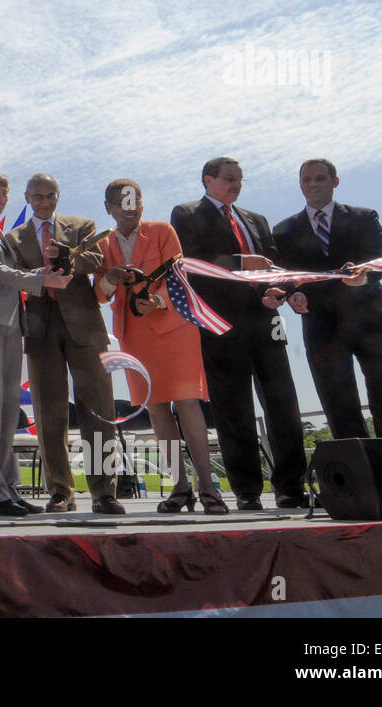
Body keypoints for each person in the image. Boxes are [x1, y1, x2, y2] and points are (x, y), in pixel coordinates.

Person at [170, 156, 307, 510]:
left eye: (240, 179)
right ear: (208, 180)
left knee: (283, 406)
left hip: (266, 322)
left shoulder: (257, 220)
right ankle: (248, 491)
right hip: (220, 326)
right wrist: (240, 263)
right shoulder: (186, 214)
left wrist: (284, 291)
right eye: (229, 178)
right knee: (234, 411)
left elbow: (275, 265)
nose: (236, 184)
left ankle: (291, 487)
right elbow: (190, 262)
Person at [94, 179, 226, 514]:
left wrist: (158, 301)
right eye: (121, 201)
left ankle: (208, 488)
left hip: (173, 327)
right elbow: (99, 293)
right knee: (155, 408)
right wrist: (112, 278)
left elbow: (180, 276)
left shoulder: (163, 230)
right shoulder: (102, 244)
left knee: (187, 404)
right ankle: (180, 489)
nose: (130, 206)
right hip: (133, 333)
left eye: (135, 199)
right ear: (108, 206)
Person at [272, 159, 382, 439]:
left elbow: (380, 256)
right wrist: (294, 294)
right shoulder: (283, 230)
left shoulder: (364, 217)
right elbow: (284, 274)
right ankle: (359, 476)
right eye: (306, 180)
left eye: (320, 178)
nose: (313, 184)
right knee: (338, 405)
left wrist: (363, 277)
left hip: (373, 318)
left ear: (335, 181)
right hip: (321, 325)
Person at [7, 174, 125, 514]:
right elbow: (13, 275)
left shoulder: (82, 225)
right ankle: (61, 491)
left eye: (50, 195)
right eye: (37, 196)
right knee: (49, 413)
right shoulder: (14, 237)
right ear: (27, 197)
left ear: (58, 195)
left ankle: (105, 492)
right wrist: (40, 275)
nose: (44, 202)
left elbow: (97, 259)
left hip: (85, 326)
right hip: (41, 327)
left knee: (100, 409)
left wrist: (67, 259)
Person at [0, 168, 70, 516]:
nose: (0, 199)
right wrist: (41, 278)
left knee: (8, 408)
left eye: (4, 193)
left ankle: (8, 488)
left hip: (8, 321)